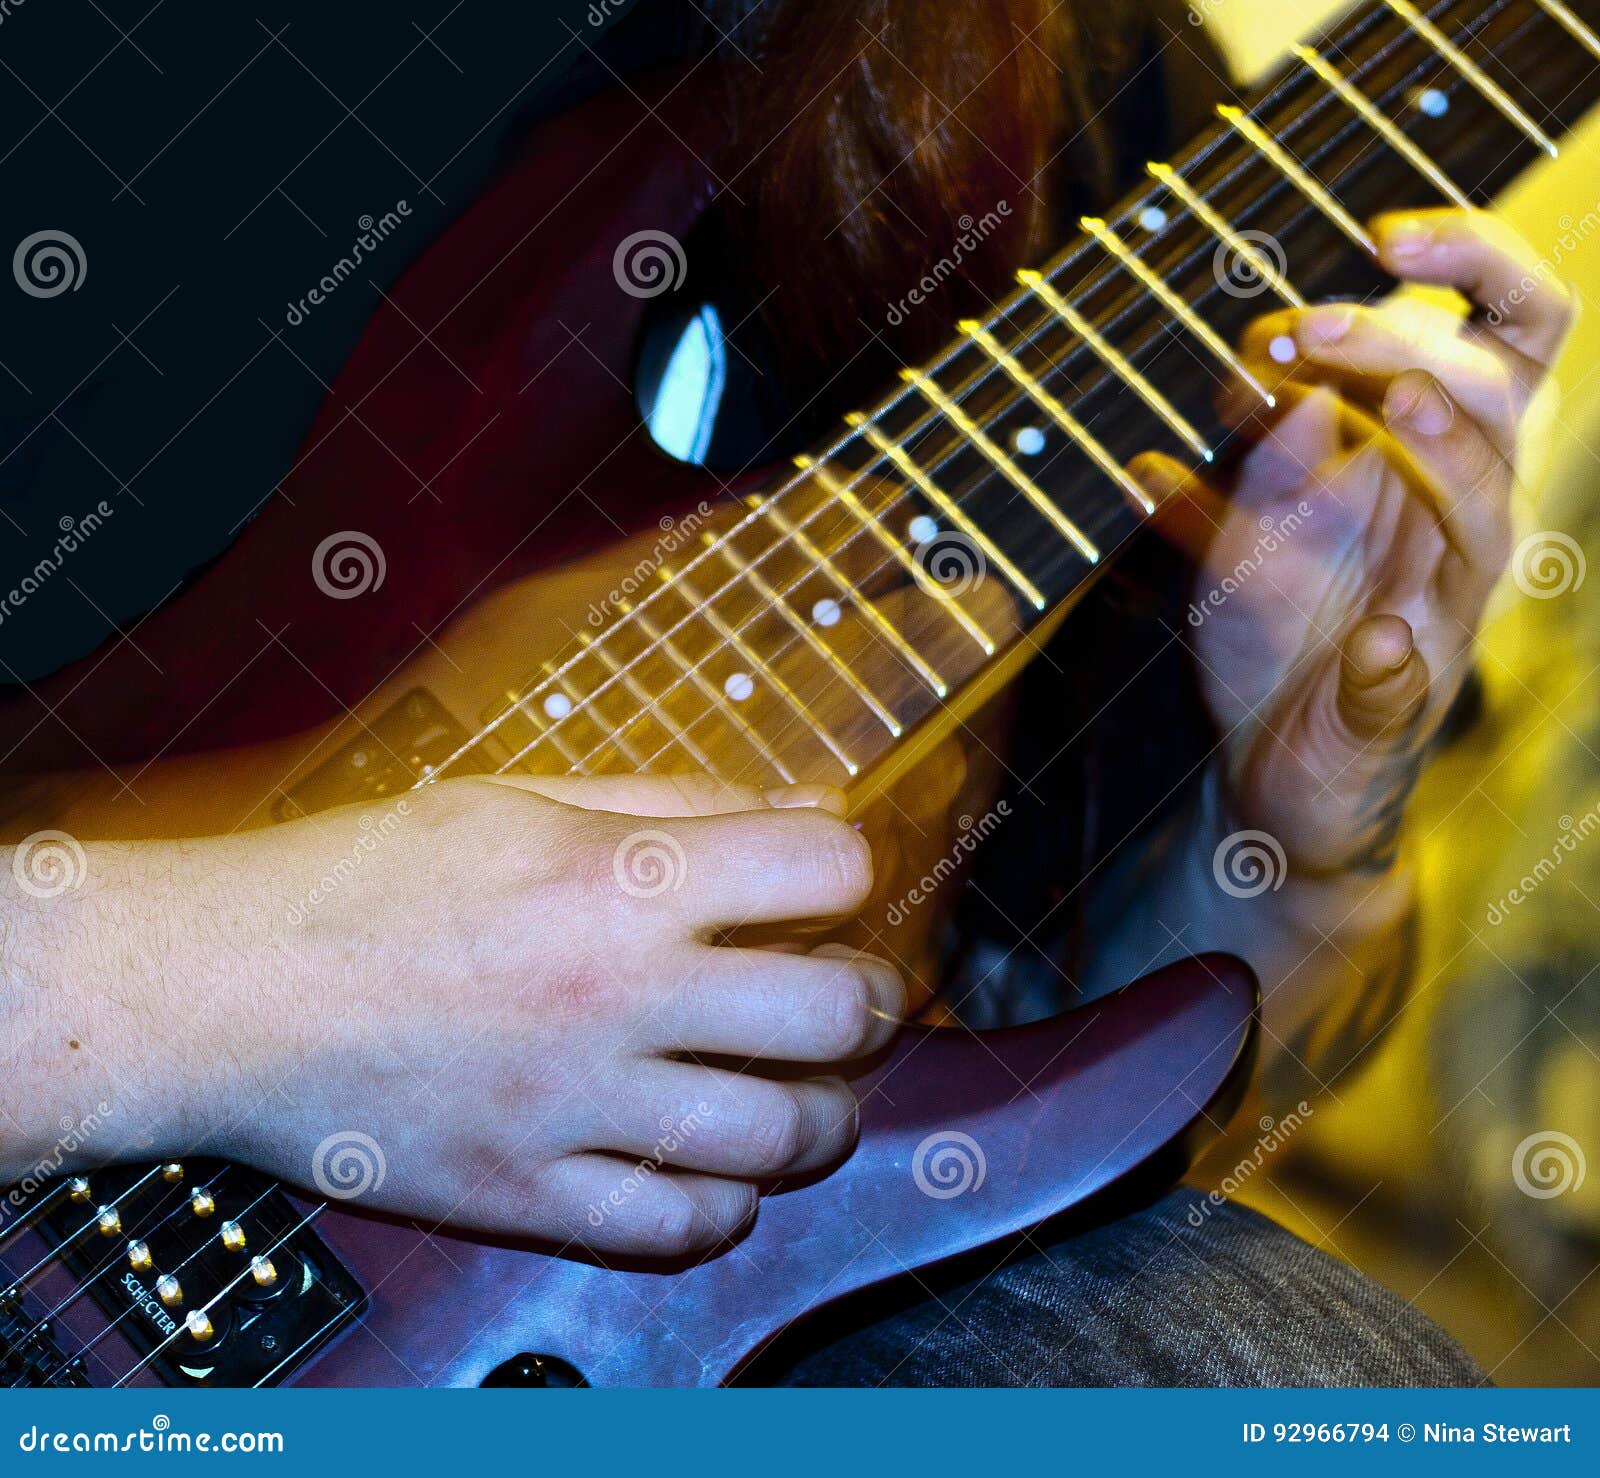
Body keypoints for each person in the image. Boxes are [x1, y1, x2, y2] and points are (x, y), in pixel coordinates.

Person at [0, 0, 1566, 1384]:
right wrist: (213, 989)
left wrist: (1295, 828)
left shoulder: (1101, 129)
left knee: (1288, 1381)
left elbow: (1124, 1081)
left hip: (579, 1325)